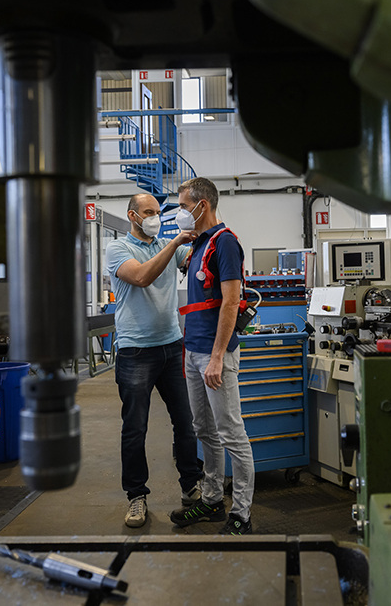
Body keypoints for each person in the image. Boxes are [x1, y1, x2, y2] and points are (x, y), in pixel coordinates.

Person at [105, 193, 204, 528]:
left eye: (159, 212)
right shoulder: (117, 249)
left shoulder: (170, 245)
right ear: (133, 216)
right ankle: (136, 496)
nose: (156, 217)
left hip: (172, 346)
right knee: (136, 428)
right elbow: (143, 276)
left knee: (186, 421)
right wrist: (176, 241)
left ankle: (192, 485)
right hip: (135, 351)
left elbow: (196, 261)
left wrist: (202, 226)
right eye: (149, 212)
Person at [168, 177, 255, 535]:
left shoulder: (225, 243)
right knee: (204, 430)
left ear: (203, 205)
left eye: (184, 205)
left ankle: (243, 513)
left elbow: (232, 300)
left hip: (215, 355)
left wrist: (218, 355)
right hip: (193, 351)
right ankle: (212, 499)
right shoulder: (197, 245)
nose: (180, 212)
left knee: (231, 432)